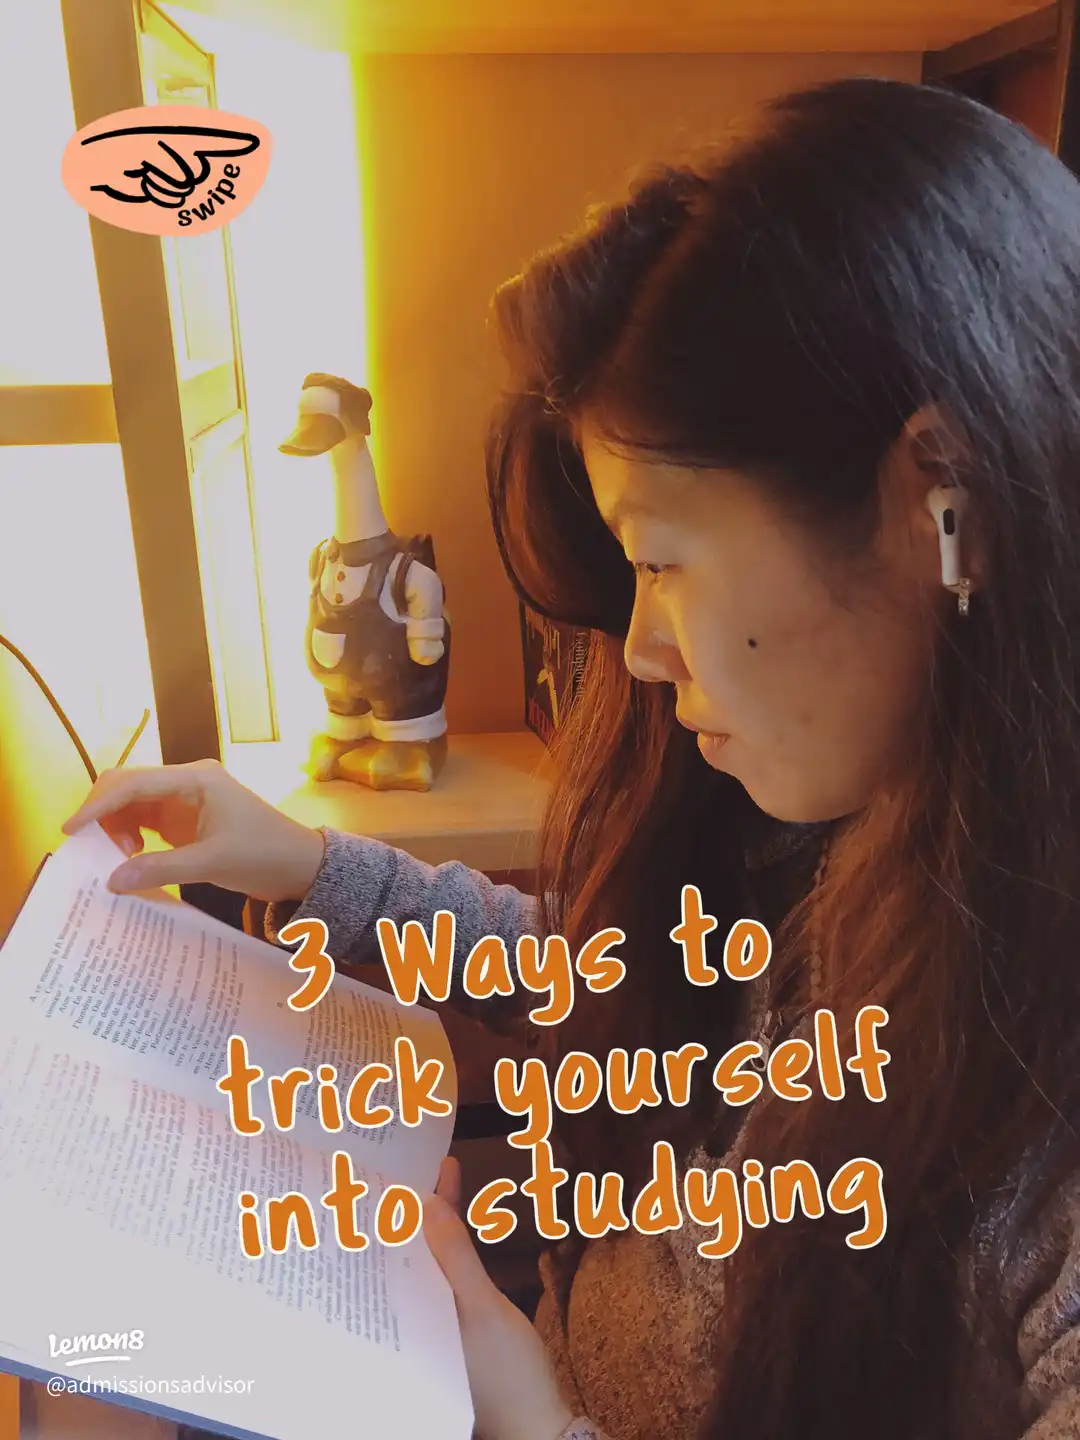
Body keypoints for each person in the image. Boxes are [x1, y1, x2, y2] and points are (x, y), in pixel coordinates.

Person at [63, 75, 1080, 1440]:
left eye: (661, 559)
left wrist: (538, 1423)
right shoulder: (852, 829)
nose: (645, 649)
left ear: (940, 501)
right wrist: (308, 867)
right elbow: (615, 967)